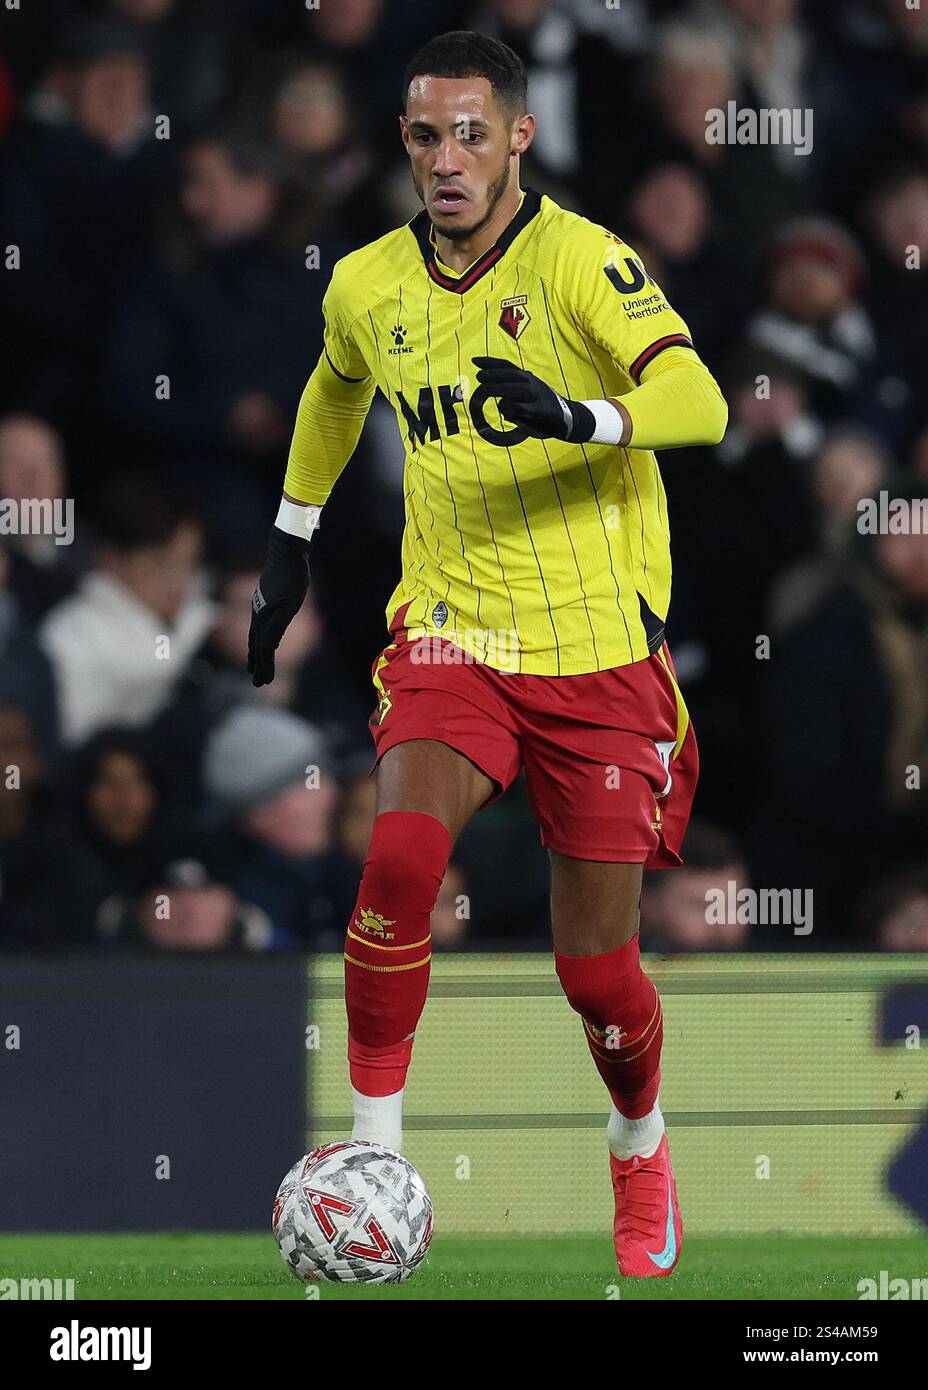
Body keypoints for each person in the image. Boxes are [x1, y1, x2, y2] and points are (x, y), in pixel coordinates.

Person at [247, 31, 727, 1279]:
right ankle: (372, 1158)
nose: (446, 160)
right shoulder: (366, 282)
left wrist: (582, 414)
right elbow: (334, 386)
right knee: (399, 858)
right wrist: (290, 541)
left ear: (518, 135)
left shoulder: (581, 262)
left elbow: (702, 403)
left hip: (596, 657)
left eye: (471, 133)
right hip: (454, 633)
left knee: (598, 973)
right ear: (402, 143)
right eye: (423, 136)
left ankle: (638, 1137)